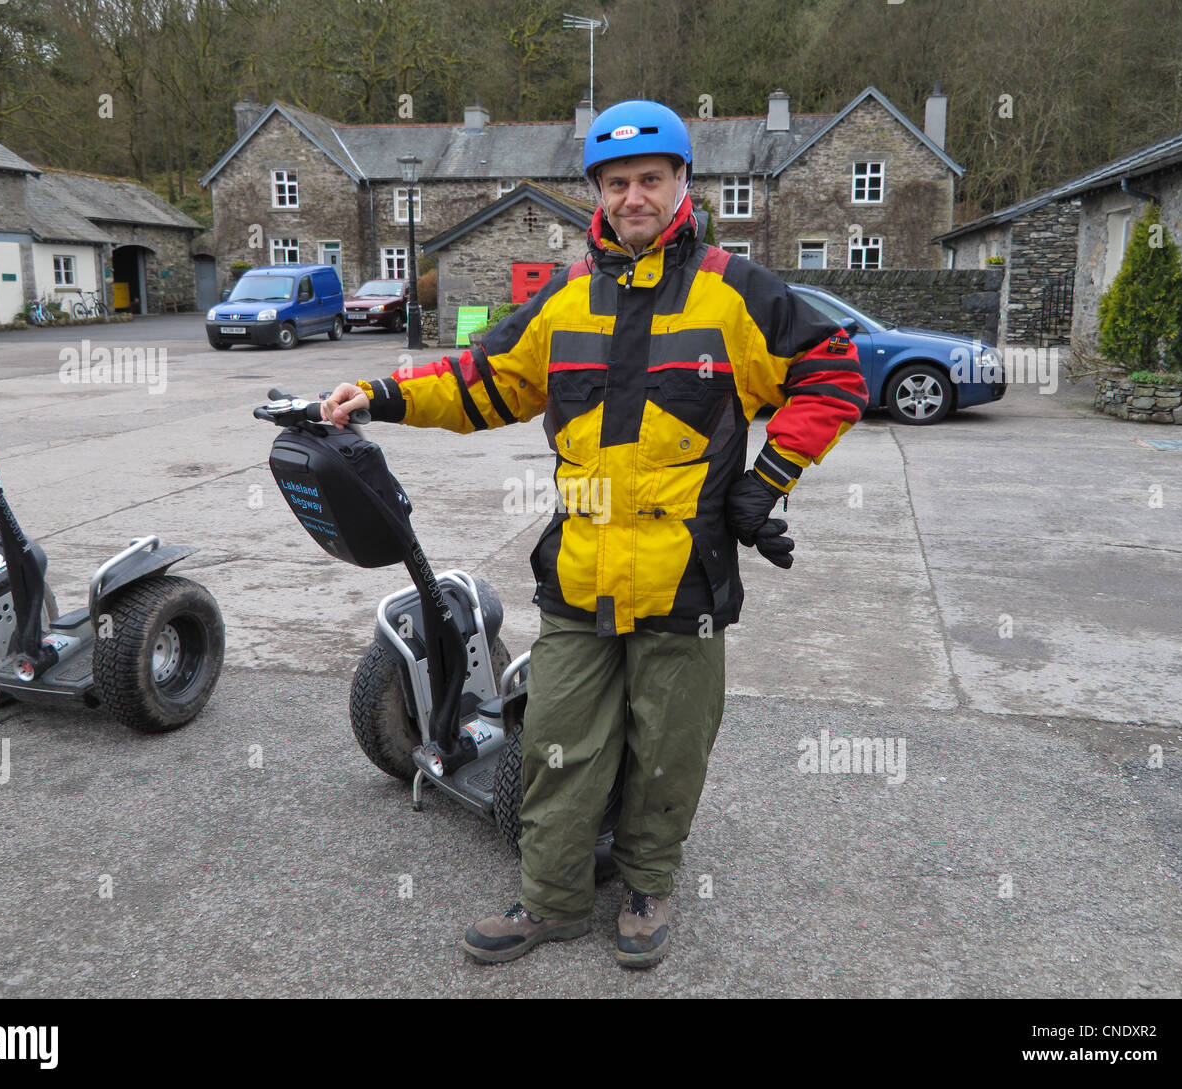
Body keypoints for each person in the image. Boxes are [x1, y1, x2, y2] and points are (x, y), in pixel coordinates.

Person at [322, 99, 867, 968]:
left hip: (684, 572)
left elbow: (835, 371)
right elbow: (480, 381)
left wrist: (768, 479)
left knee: (667, 748)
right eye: (617, 183)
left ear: (683, 181)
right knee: (558, 739)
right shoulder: (568, 301)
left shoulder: (736, 290)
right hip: (579, 568)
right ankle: (552, 899)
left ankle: (647, 889)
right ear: (598, 194)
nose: (634, 196)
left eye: (652, 178)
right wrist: (380, 396)